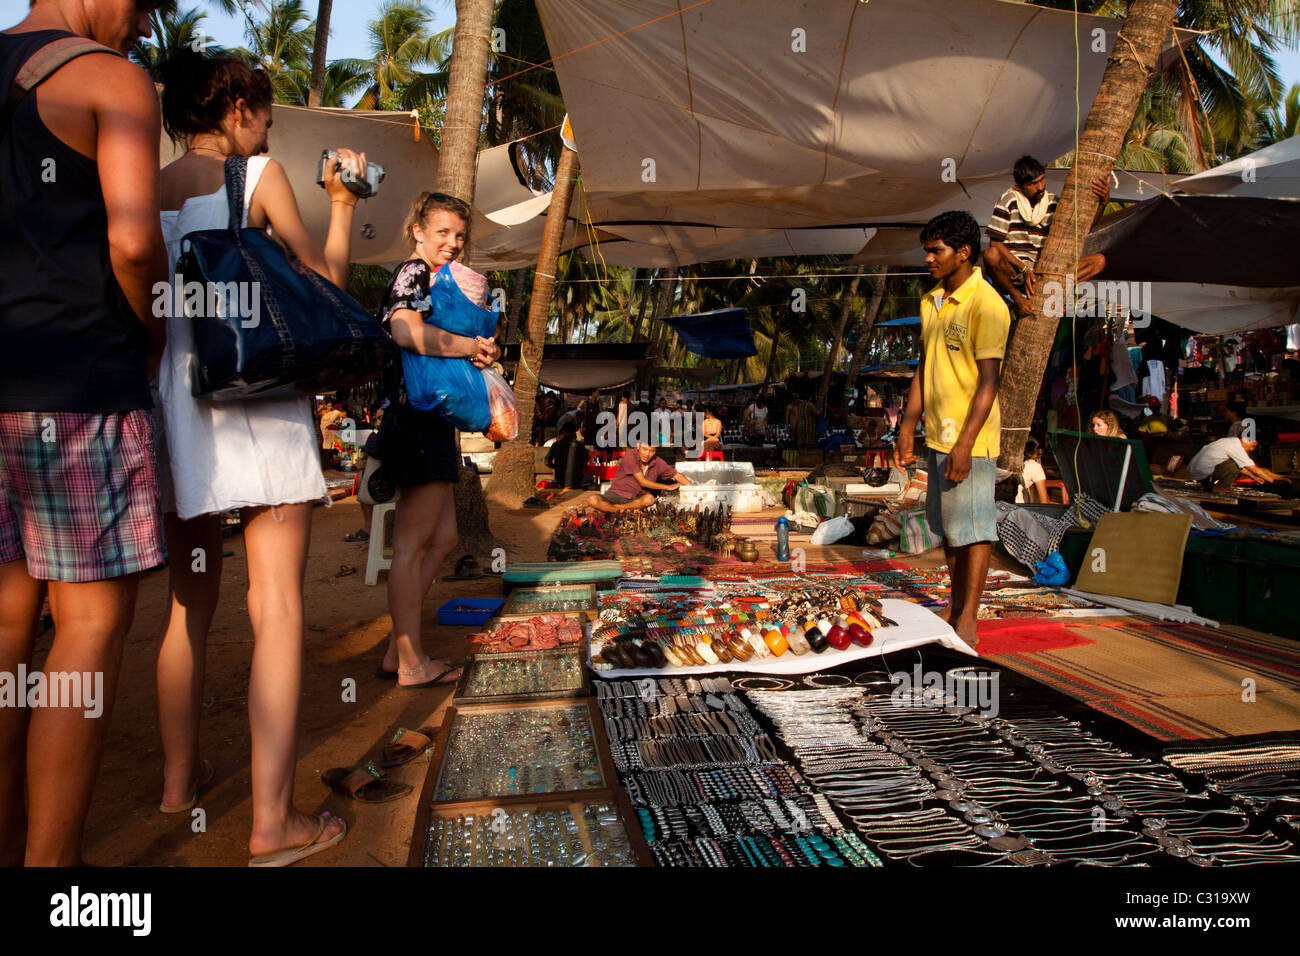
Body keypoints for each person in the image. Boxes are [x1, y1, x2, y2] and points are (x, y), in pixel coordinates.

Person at [151, 49, 364, 866]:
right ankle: (273, 824)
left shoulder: (149, 183)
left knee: (187, 606)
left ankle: (178, 782)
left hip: (178, 410)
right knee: (275, 604)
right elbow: (325, 292)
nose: (269, 126)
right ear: (238, 106)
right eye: (265, 110)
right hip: (261, 405)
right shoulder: (259, 175)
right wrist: (340, 207)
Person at [0, 0, 167, 867]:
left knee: (5, 635)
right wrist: (154, 332)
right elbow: (135, 239)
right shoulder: (109, 77)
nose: (140, 29)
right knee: (87, 631)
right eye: (142, 9)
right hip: (78, 384)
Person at [375, 191, 498, 691]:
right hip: (415, 419)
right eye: (442, 232)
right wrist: (470, 347)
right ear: (418, 230)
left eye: (459, 236)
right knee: (409, 546)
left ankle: (394, 647)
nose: (452, 243)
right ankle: (410, 661)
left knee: (443, 537)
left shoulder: (438, 280)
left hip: (431, 422)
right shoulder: (414, 273)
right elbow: (406, 332)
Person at [895, 211, 1010, 649]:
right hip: (937, 436)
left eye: (936, 250)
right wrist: (908, 424)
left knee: (975, 529)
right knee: (949, 529)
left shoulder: (987, 304)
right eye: (927, 250)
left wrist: (965, 444)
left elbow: (989, 381)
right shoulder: (932, 302)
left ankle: (969, 616)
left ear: (963, 252)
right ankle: (955, 601)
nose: (928, 258)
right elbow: (925, 367)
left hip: (972, 439)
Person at [984, 155, 1110, 318]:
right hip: (1015, 270)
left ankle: (1052, 291)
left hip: (1044, 271)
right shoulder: (1009, 200)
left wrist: (1103, 203)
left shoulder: (1052, 202)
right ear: (1019, 186)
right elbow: (995, 244)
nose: (1040, 187)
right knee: (990, 255)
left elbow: (1081, 231)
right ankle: (1017, 298)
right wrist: (1024, 268)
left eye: (1042, 180)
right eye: (1033, 184)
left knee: (1098, 262)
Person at [583, 444, 693, 513]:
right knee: (592, 499)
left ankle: (613, 509)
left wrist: (691, 488)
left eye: (652, 450)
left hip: (635, 500)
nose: (647, 454)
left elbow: (677, 475)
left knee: (649, 499)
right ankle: (622, 510)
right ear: (638, 446)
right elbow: (642, 482)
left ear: (656, 451)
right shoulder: (630, 455)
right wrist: (668, 487)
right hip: (615, 494)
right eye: (644, 449)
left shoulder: (658, 462)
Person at [1188, 435, 1288, 492]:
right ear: (1246, 440)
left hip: (1195, 472)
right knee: (1234, 463)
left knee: (1235, 463)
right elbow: (1253, 469)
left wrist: (1253, 477)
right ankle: (1221, 487)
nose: (1252, 449)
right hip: (1201, 473)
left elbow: (1243, 467)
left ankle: (1207, 485)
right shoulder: (1236, 447)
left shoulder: (1228, 441)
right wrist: (1273, 481)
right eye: (1252, 446)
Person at [545, 421, 589, 490]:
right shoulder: (580, 445)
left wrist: (556, 467)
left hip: (559, 480)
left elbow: (547, 462)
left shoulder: (556, 445)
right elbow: (585, 463)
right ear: (574, 431)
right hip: (576, 480)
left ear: (564, 431)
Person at [1016, 437, 1049, 503]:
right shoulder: (1034, 466)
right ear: (1040, 450)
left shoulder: (1015, 461)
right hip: (1017, 505)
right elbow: (1044, 500)